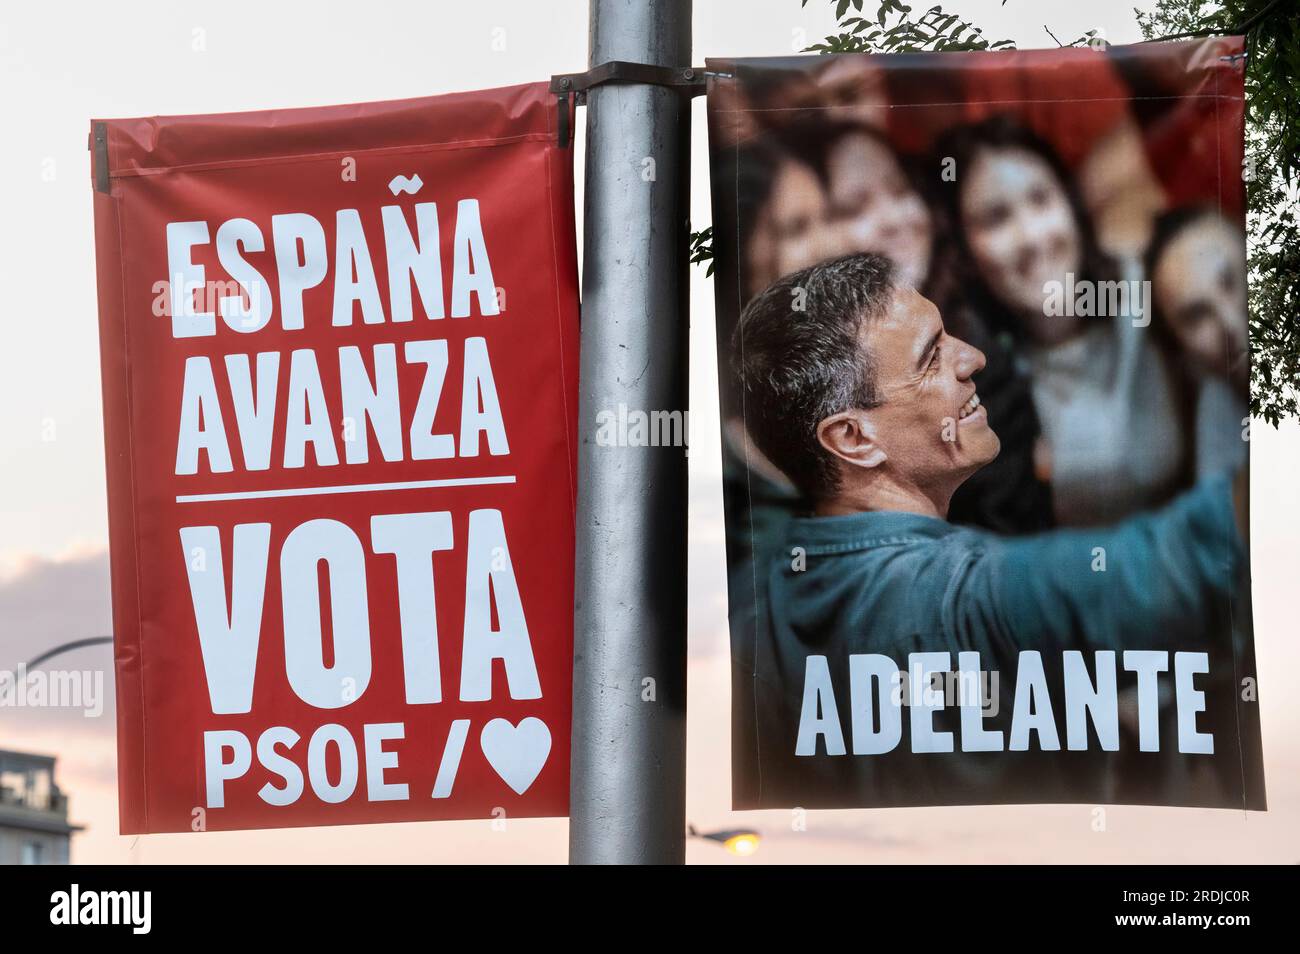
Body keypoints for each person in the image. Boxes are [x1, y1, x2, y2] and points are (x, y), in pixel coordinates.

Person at [728, 252, 1246, 807]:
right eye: (931, 358)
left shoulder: (752, 604)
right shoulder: (963, 600)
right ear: (854, 439)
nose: (972, 358)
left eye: (949, 334)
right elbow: (1189, 558)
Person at [937, 116, 1193, 526]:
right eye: (996, 218)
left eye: (1041, 199)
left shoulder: (1146, 294)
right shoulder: (974, 380)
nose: (1032, 237)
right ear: (965, 253)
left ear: (1070, 204)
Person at [1146, 206, 1250, 478]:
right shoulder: (1219, 411)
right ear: (1184, 358)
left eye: (1231, 281)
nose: (1230, 321)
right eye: (1196, 315)